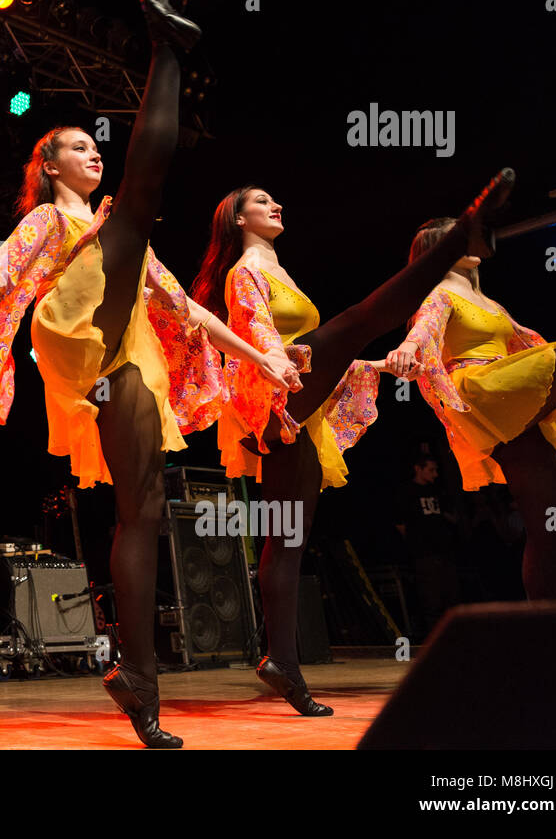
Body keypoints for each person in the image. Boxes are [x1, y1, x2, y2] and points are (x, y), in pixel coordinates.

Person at [0, 0, 300, 748]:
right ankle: (165, 51)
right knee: (139, 202)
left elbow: (184, 306)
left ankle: (138, 679)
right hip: (79, 333)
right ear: (48, 167)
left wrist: (263, 360)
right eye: (74, 148)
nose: (89, 155)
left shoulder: (120, 227)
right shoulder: (49, 218)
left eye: (91, 146)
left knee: (141, 511)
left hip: (132, 356)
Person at [188, 170, 515, 715]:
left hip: (297, 384)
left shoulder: (276, 267)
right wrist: (280, 368)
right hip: (278, 389)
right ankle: (457, 236)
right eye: (262, 201)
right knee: (362, 318)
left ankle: (281, 662)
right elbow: (259, 331)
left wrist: (374, 366)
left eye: (275, 197)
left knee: (291, 531)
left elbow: (317, 349)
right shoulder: (245, 270)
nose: (277, 204)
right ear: (237, 219)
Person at [384, 218, 556, 599]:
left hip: (510, 398)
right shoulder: (440, 294)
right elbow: (424, 329)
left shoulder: (488, 302)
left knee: (549, 529)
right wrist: (407, 350)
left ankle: (547, 628)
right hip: (484, 392)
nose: (477, 242)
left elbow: (529, 341)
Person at [392, 453, 461, 638]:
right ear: (418, 469)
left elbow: (451, 516)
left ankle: (454, 638)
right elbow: (400, 524)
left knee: (451, 595)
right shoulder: (407, 493)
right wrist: (417, 542)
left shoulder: (437, 490)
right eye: (430, 470)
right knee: (431, 600)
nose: (435, 474)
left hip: (444, 549)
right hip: (424, 553)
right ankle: (434, 640)